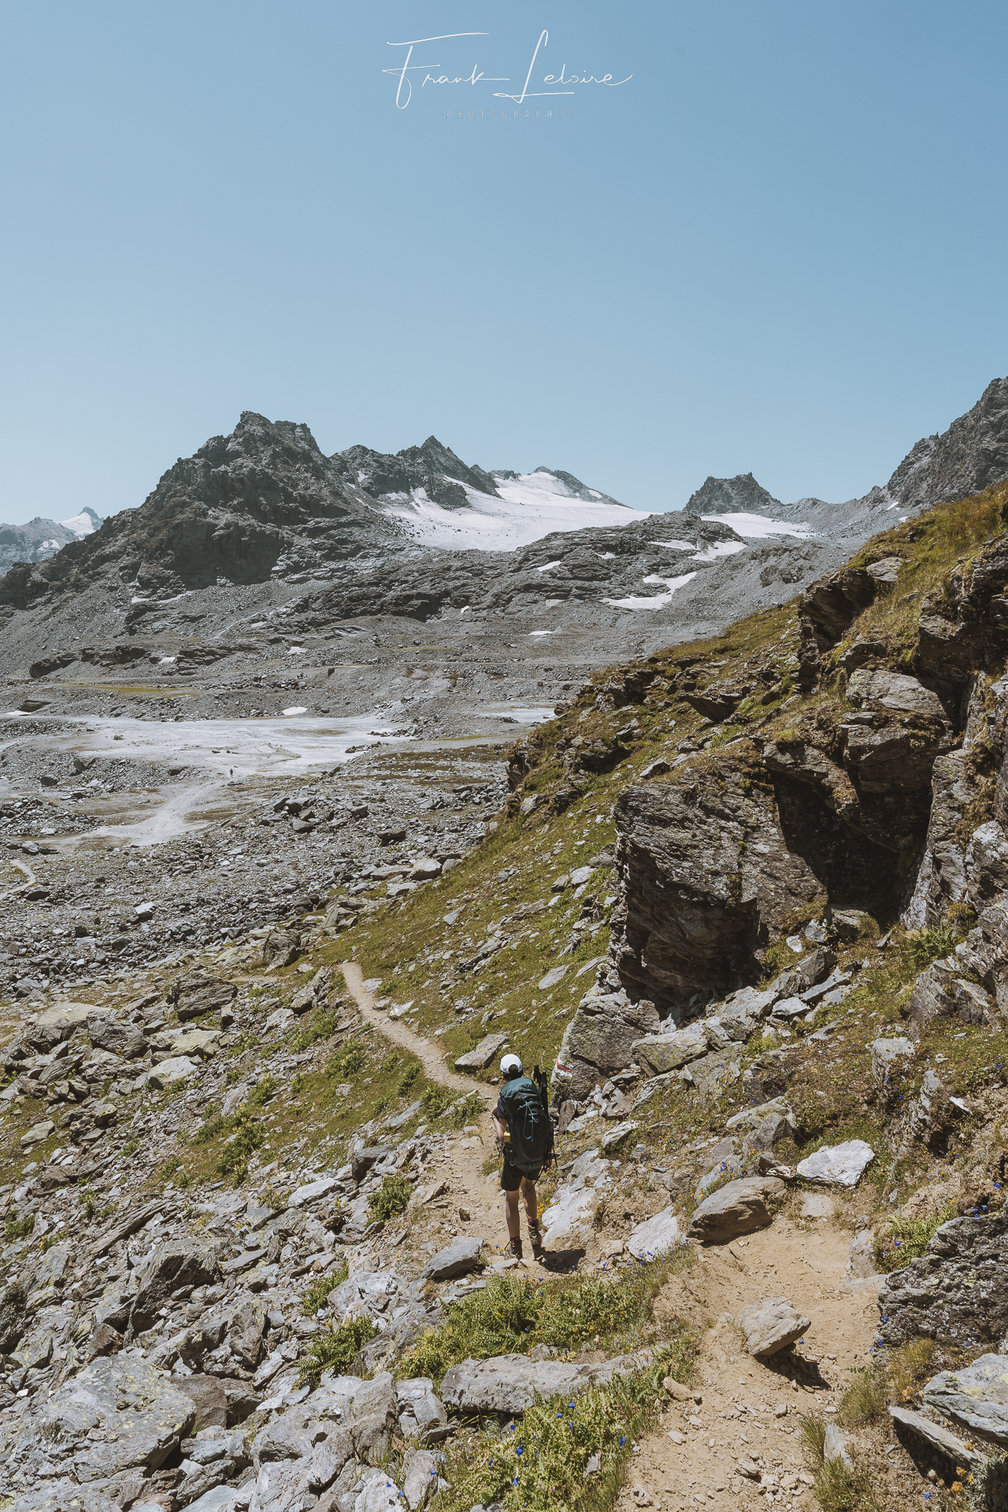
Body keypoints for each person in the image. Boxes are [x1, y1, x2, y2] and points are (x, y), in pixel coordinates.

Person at [492, 1052, 545, 1259]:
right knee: (529, 1189)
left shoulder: (504, 1096)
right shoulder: (533, 1089)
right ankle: (535, 1237)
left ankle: (516, 1247)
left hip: (515, 1155)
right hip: (536, 1151)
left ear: (504, 1075)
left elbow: (501, 1135)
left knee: (511, 1198)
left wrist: (495, 1116)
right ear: (522, 1071)